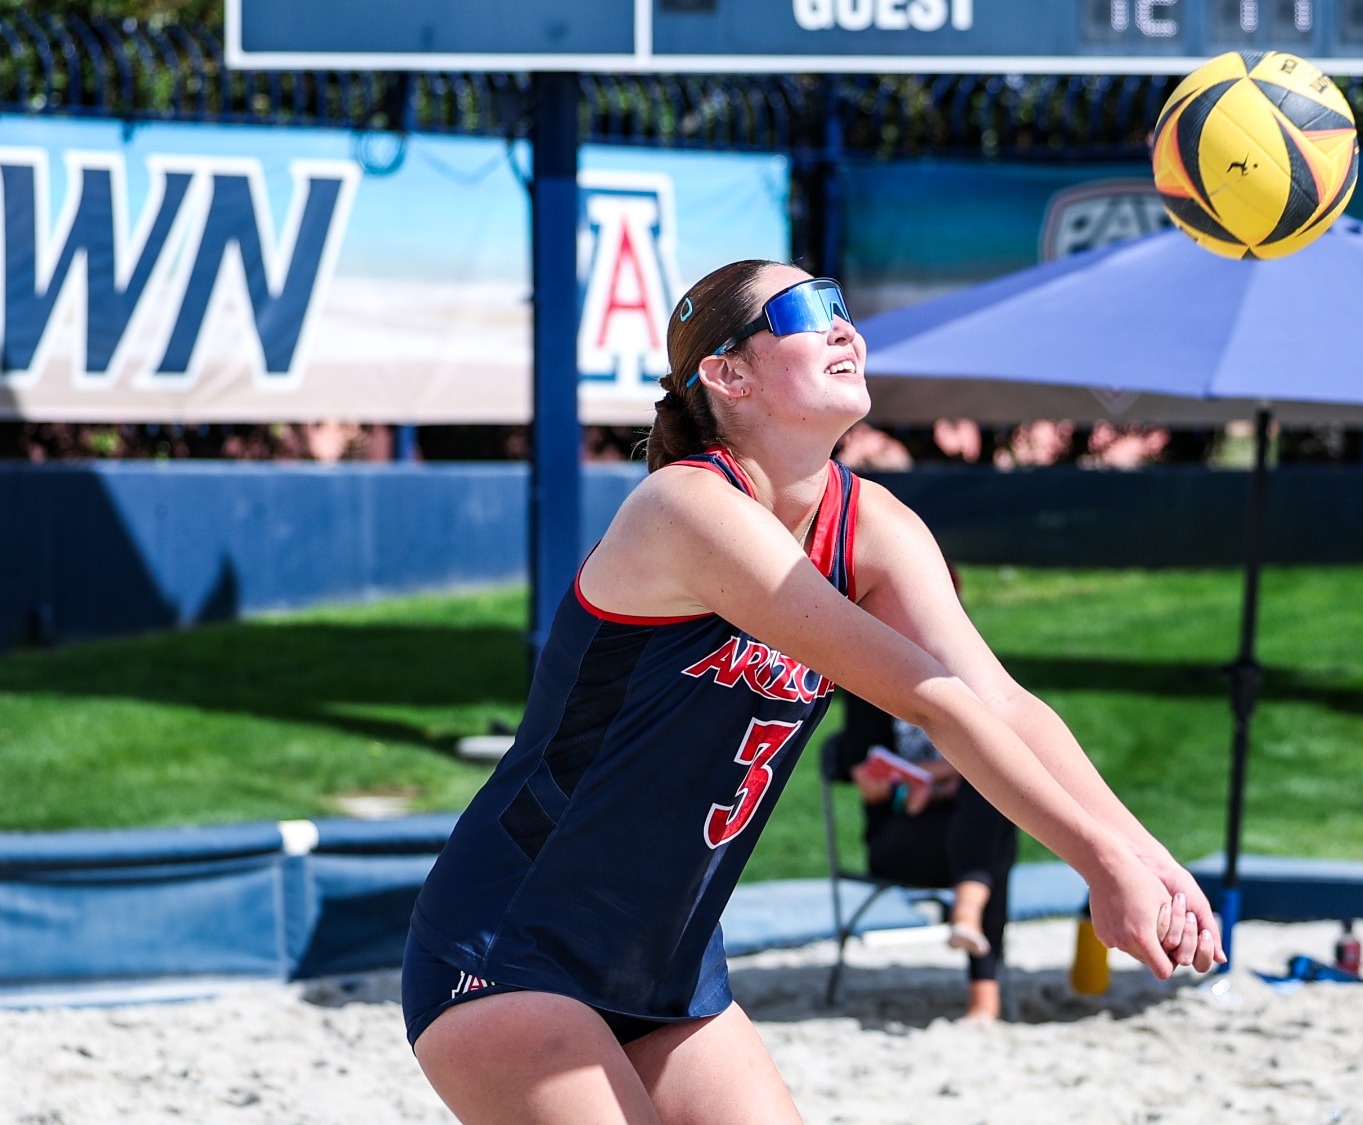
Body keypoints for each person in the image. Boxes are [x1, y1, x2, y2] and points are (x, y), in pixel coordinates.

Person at [402, 260, 1223, 1125]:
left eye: (841, 303)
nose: (842, 325)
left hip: (668, 967)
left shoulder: (872, 523)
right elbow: (936, 701)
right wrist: (1098, 863)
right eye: (804, 310)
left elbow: (1004, 702)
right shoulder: (687, 508)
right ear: (727, 373)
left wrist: (1147, 859)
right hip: (506, 944)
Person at [836, 688, 1018, 1022]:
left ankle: (968, 913)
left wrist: (945, 779)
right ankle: (982, 988)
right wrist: (944, 774)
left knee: (989, 805)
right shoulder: (867, 686)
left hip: (966, 837)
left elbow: (1007, 754)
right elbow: (868, 782)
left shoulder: (967, 684)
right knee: (990, 822)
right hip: (902, 841)